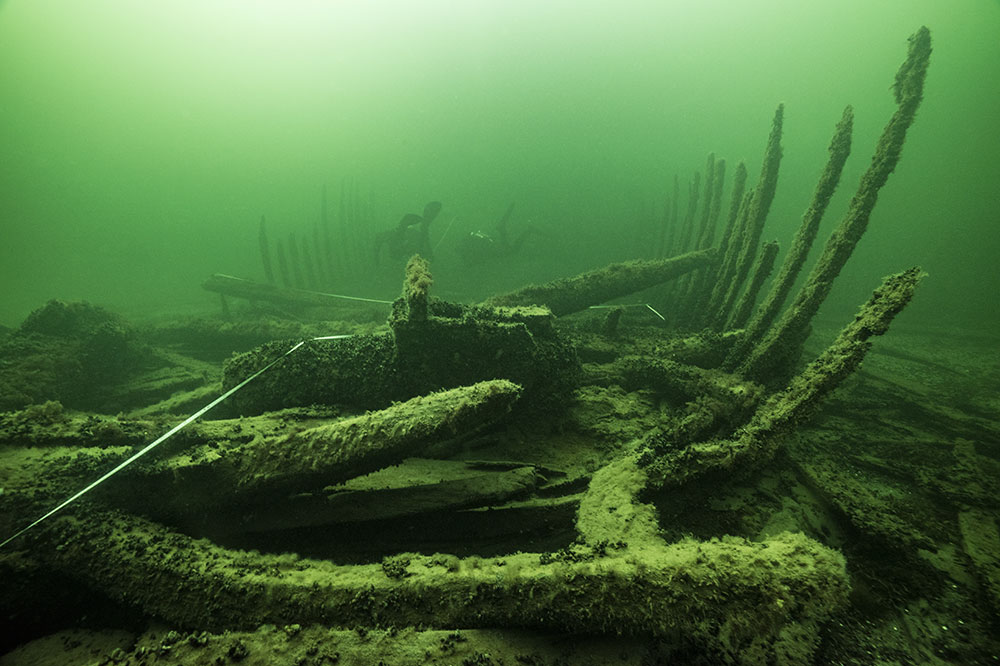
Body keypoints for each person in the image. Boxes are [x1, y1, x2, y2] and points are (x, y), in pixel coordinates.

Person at [374, 201, 442, 265]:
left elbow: (423, 245)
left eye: (434, 214)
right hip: (397, 256)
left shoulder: (422, 228)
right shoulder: (417, 227)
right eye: (433, 214)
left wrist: (429, 255)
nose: (433, 217)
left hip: (399, 256)